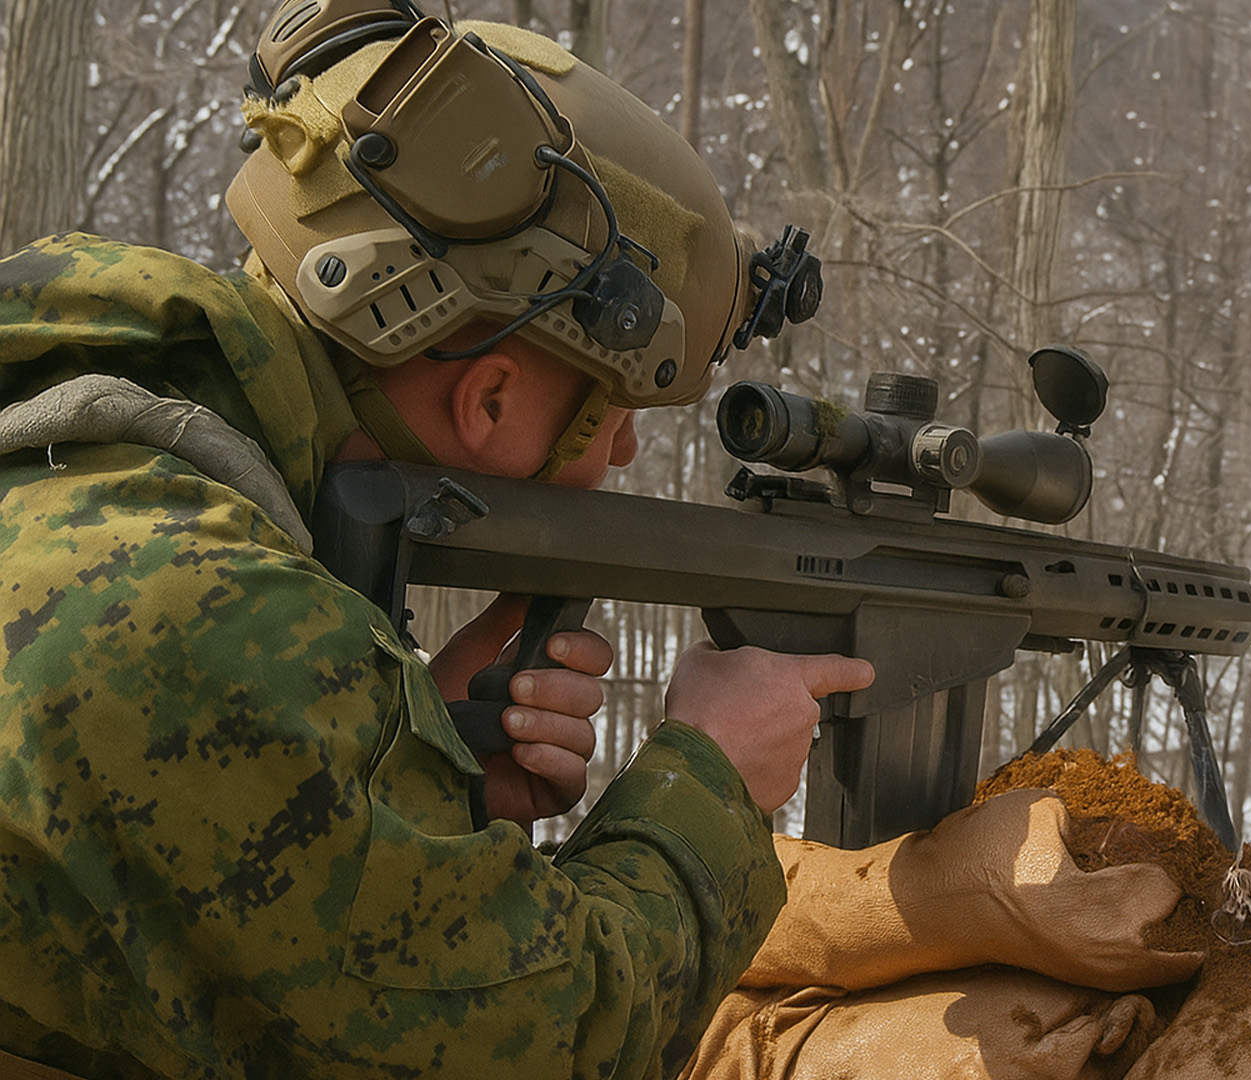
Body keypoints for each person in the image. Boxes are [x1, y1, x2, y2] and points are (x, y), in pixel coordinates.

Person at [0, 3, 870, 1077]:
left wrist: (416, 772)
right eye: (618, 413)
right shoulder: (201, 615)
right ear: (493, 399)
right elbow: (543, 1047)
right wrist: (713, 784)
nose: (628, 456)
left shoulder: (79, 446)